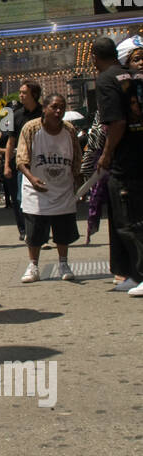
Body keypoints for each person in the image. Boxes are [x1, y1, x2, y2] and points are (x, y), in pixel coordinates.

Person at [93, 35, 143, 296]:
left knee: (130, 220)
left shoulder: (105, 79)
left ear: (94, 58)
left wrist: (107, 154)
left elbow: (118, 122)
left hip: (126, 161)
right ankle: (132, 275)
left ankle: (141, 274)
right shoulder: (134, 75)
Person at [16, 94, 82, 282]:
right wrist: (32, 178)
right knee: (35, 233)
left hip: (62, 189)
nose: (58, 111)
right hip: (37, 190)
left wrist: (79, 184)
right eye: (54, 107)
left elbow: (76, 160)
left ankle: (63, 263)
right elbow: (21, 160)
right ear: (44, 108)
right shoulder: (31, 128)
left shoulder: (69, 130)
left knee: (63, 231)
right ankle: (33, 266)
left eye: (61, 107)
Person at [4, 82, 43, 242]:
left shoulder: (44, 113)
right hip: (23, 164)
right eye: (20, 92)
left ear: (33, 94)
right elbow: (10, 142)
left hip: (42, 162)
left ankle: (41, 231)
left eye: (24, 93)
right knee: (21, 199)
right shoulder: (17, 115)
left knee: (42, 196)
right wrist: (7, 164)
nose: (20, 95)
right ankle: (26, 230)